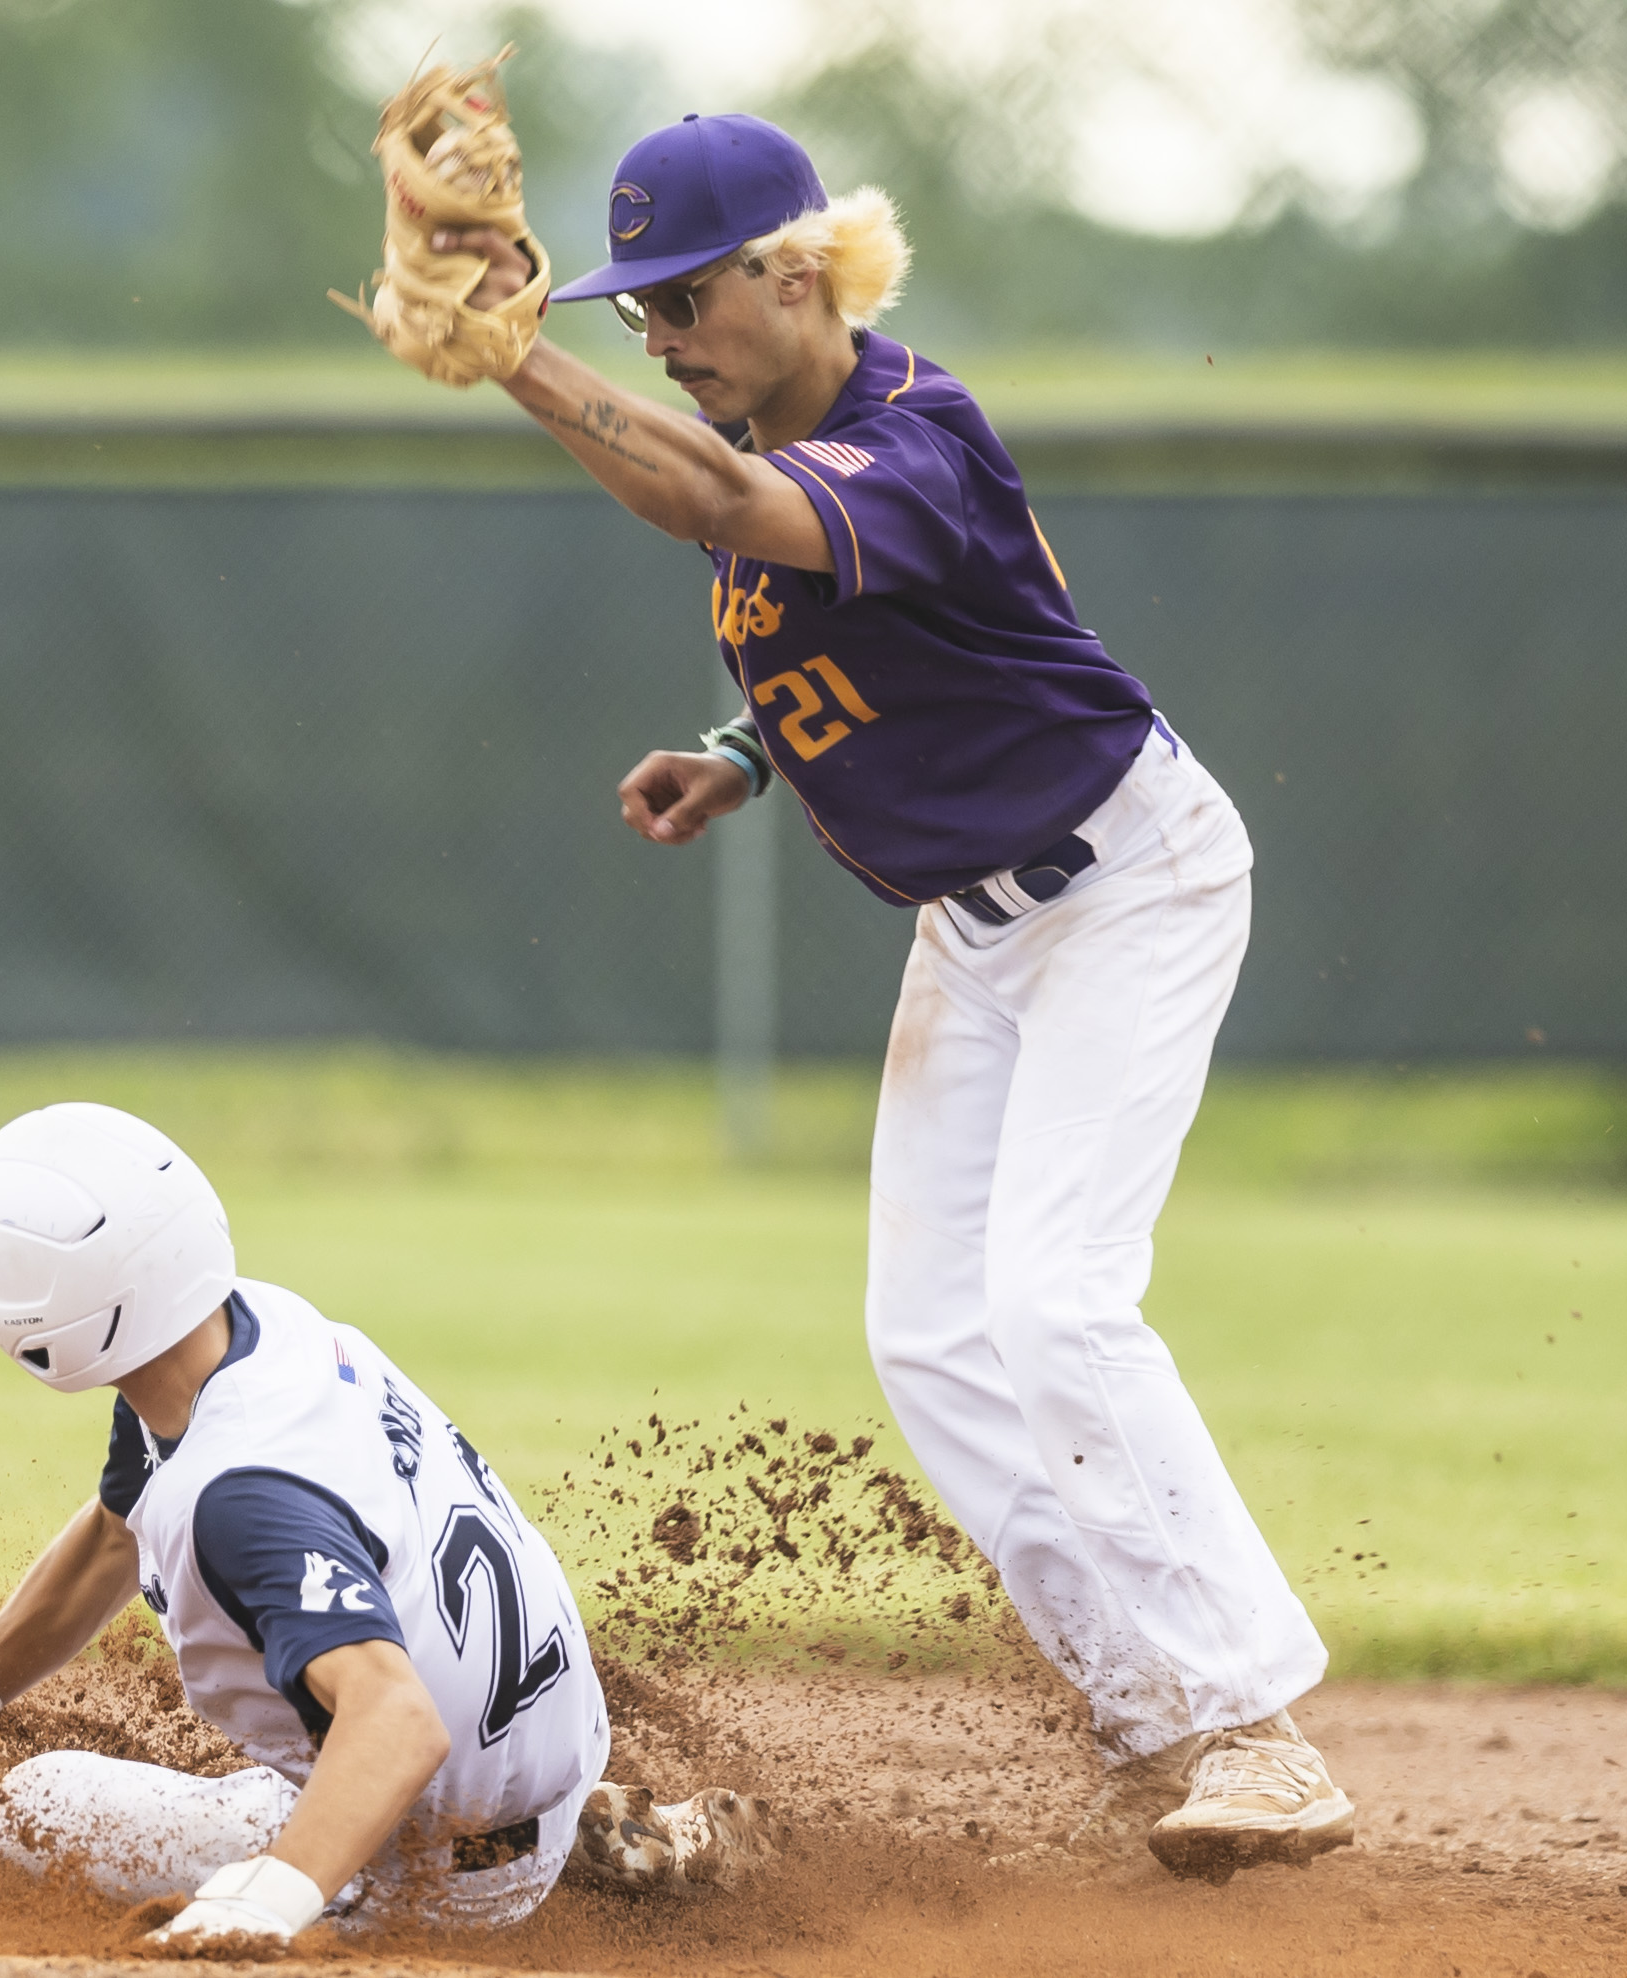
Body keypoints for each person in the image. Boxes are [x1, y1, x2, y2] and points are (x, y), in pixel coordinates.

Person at [424, 112, 1355, 1882]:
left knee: (1056, 1300)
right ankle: (1148, 1716)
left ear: (795, 274)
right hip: (976, 929)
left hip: (1127, 885)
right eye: (633, 311)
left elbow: (720, 513)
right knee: (930, 1335)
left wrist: (516, 356)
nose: (660, 338)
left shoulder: (912, 435)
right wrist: (742, 750)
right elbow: (881, 643)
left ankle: (1250, 1721)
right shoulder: (767, 433)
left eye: (683, 298)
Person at [0, 1103, 770, 1945]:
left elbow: (397, 1724)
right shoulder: (250, 1333)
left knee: (34, 1805)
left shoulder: (237, 1497)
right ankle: (579, 1833)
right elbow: (117, 1530)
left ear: (49, 1326)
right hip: (541, 1751)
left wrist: (270, 1896)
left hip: (436, 1854)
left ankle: (421, 1883)